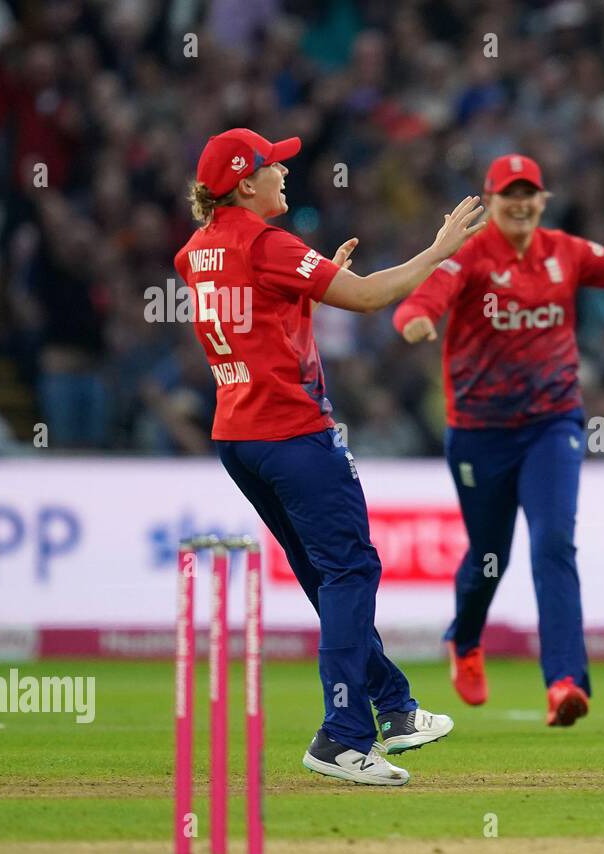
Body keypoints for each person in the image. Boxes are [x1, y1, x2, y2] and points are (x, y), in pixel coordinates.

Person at [174, 128, 485, 785]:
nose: (285, 172)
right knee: (351, 569)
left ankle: (396, 707)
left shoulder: (198, 251)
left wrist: (305, 289)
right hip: (293, 433)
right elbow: (371, 297)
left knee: (326, 573)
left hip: (239, 434)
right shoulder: (267, 243)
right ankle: (342, 735)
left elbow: (254, 318)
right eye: (273, 166)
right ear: (243, 182)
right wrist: (440, 250)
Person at [392, 155, 604, 725]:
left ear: (543, 201)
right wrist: (414, 320)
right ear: (490, 201)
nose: (519, 204)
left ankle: (565, 680)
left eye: (529, 194)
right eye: (508, 195)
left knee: (553, 544)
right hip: (479, 432)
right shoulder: (469, 254)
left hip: (552, 425)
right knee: (491, 556)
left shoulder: (565, 251)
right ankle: (465, 638)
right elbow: (426, 296)